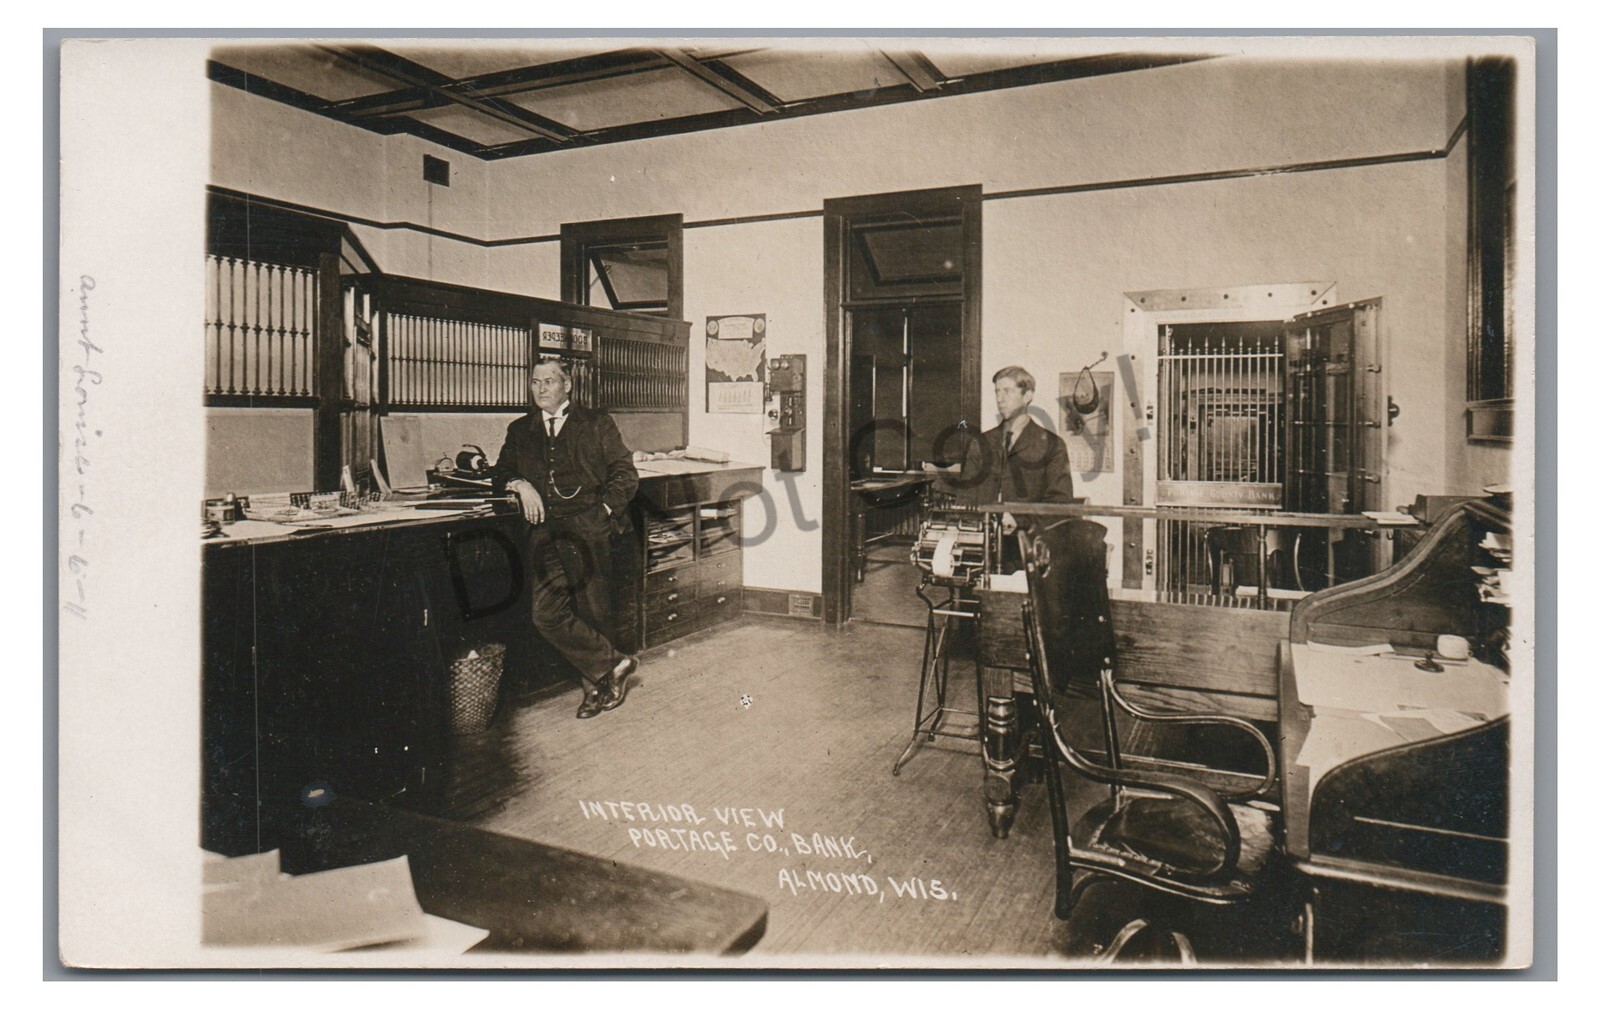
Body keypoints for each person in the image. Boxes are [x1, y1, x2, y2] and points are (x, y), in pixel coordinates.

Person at [490, 358, 641, 719]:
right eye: (535, 382)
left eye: (550, 381)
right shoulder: (520, 429)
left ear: (567, 385)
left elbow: (625, 474)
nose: (541, 389)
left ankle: (595, 691)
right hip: (543, 536)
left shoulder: (596, 423)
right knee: (545, 615)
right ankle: (614, 665)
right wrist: (519, 484)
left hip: (588, 530)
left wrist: (603, 512)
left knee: (594, 610)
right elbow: (501, 472)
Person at [957, 365, 1076, 569]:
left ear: (1027, 395)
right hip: (981, 552)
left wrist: (1020, 520)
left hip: (1028, 552)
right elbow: (965, 496)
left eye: (1007, 391)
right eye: (997, 392)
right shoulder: (981, 443)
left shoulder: (1052, 445)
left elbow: (1060, 503)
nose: (1000, 399)